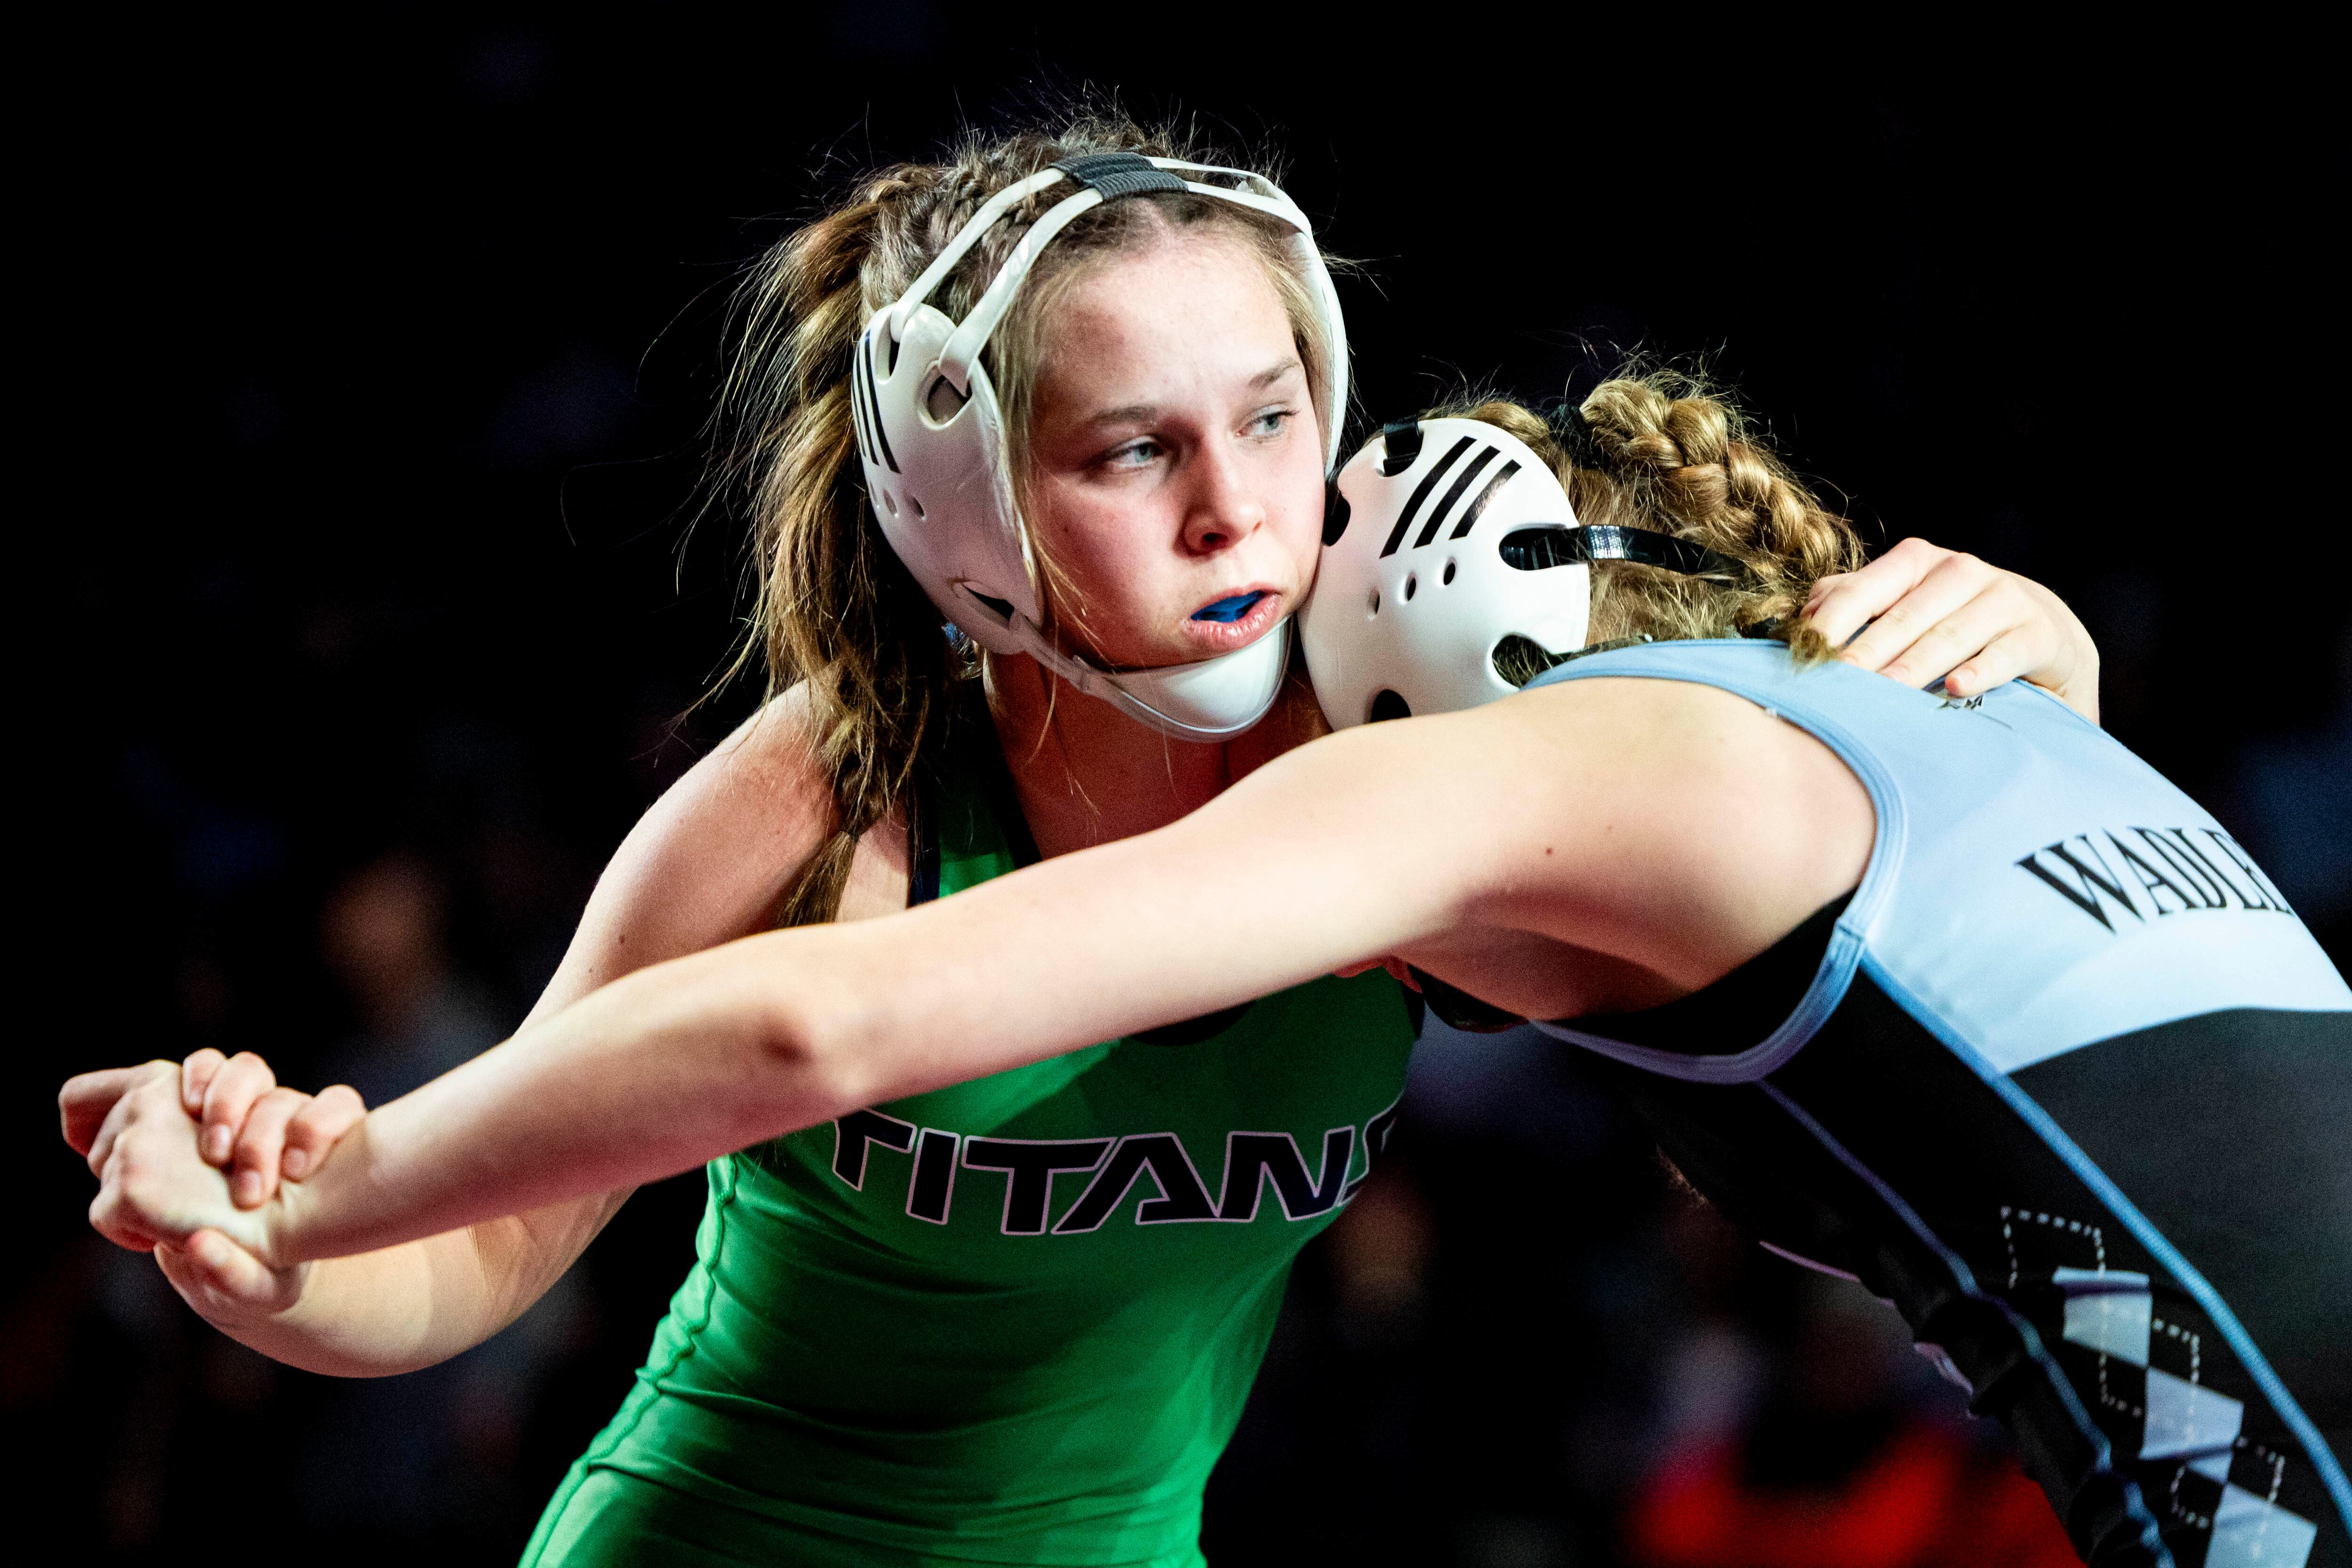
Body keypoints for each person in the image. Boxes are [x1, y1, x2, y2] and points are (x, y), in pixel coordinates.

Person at [65, 112, 2109, 1565]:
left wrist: (2039, 664)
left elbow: (1821, 859)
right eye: (1135, 450)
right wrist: (251, 1246)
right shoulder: (831, 791)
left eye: (1273, 417)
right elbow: (469, 1260)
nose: (1235, 509)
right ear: (969, 513)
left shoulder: (1407, 727)